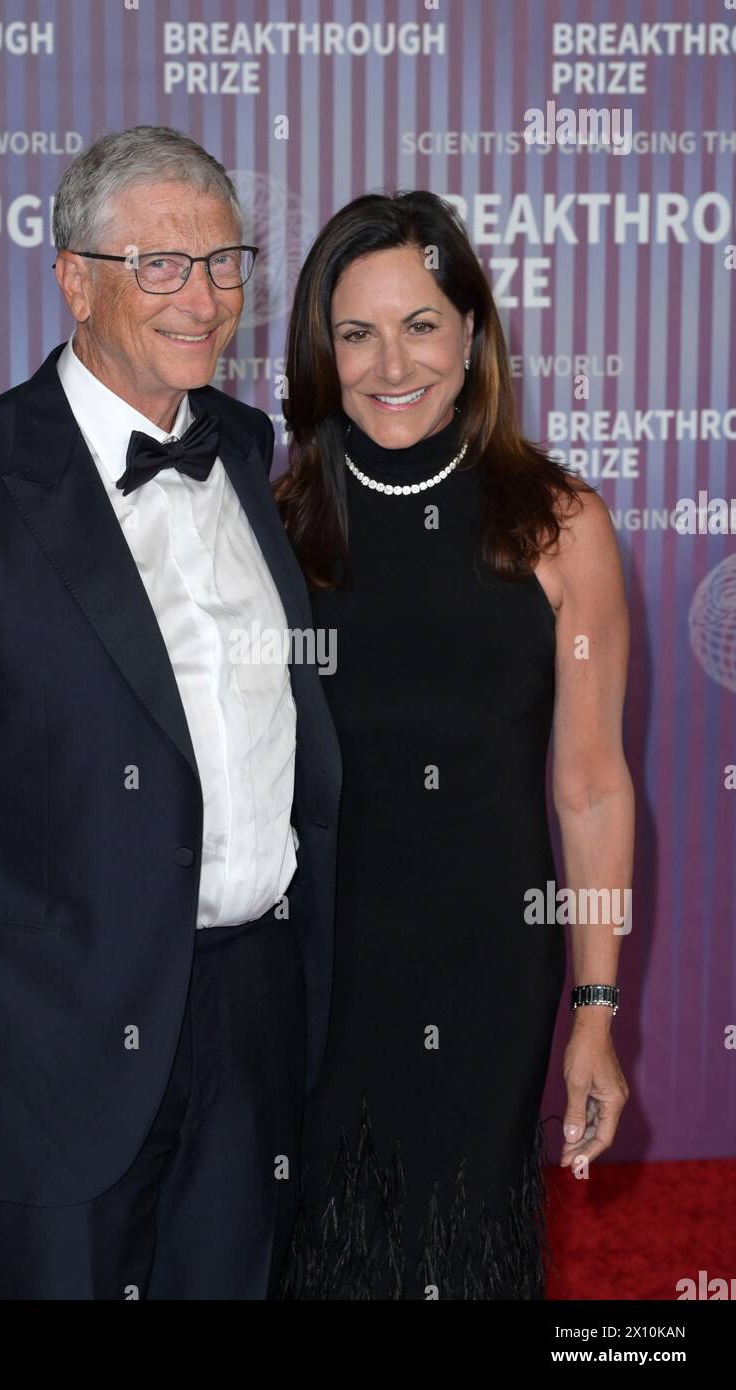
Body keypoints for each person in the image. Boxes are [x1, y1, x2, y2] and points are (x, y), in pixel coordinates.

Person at [0, 126, 341, 1300]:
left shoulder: (247, 447)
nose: (205, 298)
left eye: (225, 263)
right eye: (160, 264)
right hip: (46, 1049)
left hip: (250, 1019)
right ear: (75, 277)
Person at [273, 191, 633, 1299]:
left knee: (464, 1262)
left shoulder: (559, 525)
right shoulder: (276, 523)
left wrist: (595, 1009)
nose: (393, 362)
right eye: (357, 332)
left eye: (422, 323)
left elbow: (590, 789)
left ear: (473, 331)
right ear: (321, 353)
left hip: (489, 970)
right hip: (312, 976)